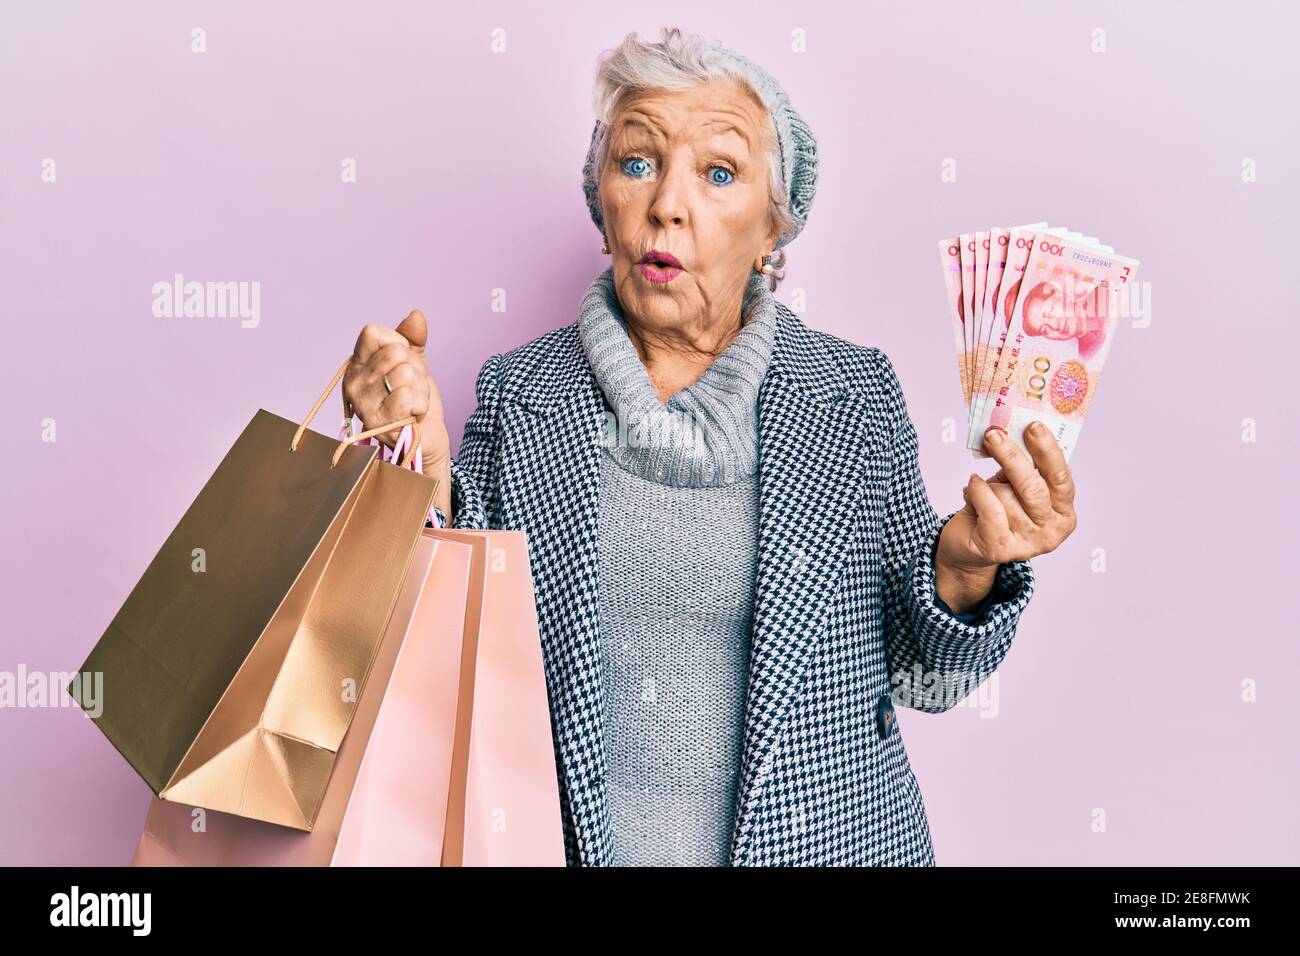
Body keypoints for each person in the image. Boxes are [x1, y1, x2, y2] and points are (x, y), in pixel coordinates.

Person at [341, 27, 1078, 866]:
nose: (667, 204)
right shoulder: (521, 394)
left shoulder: (854, 395)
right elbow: (436, 653)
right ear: (602, 199)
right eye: (638, 162)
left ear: (774, 230)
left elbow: (926, 678)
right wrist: (415, 468)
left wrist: (965, 570)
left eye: (718, 173)